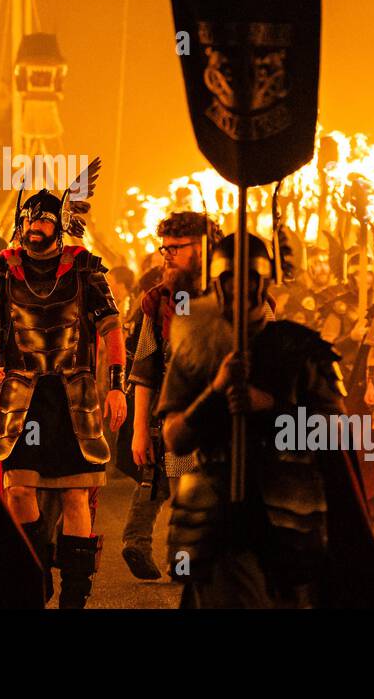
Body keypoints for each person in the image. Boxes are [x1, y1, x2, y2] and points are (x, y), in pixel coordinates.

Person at [157, 232, 374, 609]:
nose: (240, 289)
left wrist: (270, 407)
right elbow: (175, 438)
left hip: (289, 512)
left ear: (263, 282)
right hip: (214, 516)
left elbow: (336, 434)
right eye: (229, 280)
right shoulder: (195, 347)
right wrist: (216, 390)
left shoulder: (301, 349)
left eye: (249, 279)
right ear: (217, 284)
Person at [0, 168, 128, 609]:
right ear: (19, 224)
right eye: (29, 221)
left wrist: (117, 387)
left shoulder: (85, 269)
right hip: (22, 398)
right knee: (20, 490)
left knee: (75, 493)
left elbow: (113, 331)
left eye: (44, 221)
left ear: (59, 226)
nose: (35, 228)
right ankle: (35, 578)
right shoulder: (0, 272)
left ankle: (75, 596)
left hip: (72, 395)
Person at [118, 211, 220, 581]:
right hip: (173, 412)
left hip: (223, 412)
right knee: (170, 480)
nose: (167, 254)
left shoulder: (240, 295)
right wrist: (139, 429)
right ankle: (179, 561)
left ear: (204, 248)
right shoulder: (158, 301)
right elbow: (144, 370)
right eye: (165, 247)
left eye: (177, 248)